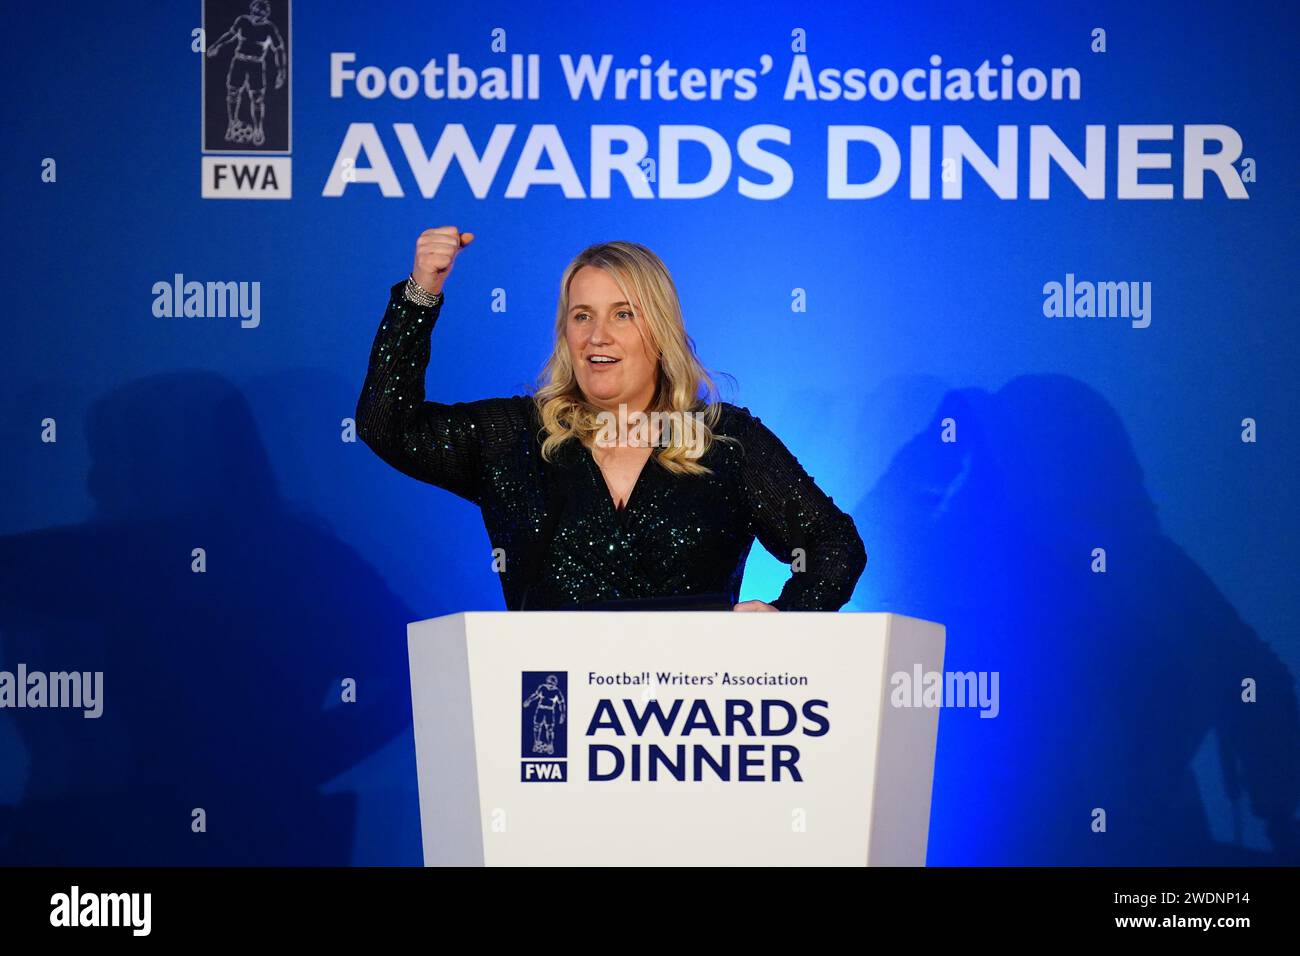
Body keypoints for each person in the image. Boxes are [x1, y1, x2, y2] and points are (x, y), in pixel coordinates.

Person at [355, 227, 866, 611]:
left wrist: (785, 615)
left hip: (692, 728)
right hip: (547, 728)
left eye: (623, 314)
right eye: (582, 316)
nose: (597, 335)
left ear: (660, 330)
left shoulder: (725, 441)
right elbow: (387, 426)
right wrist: (421, 294)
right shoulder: (515, 437)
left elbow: (835, 545)